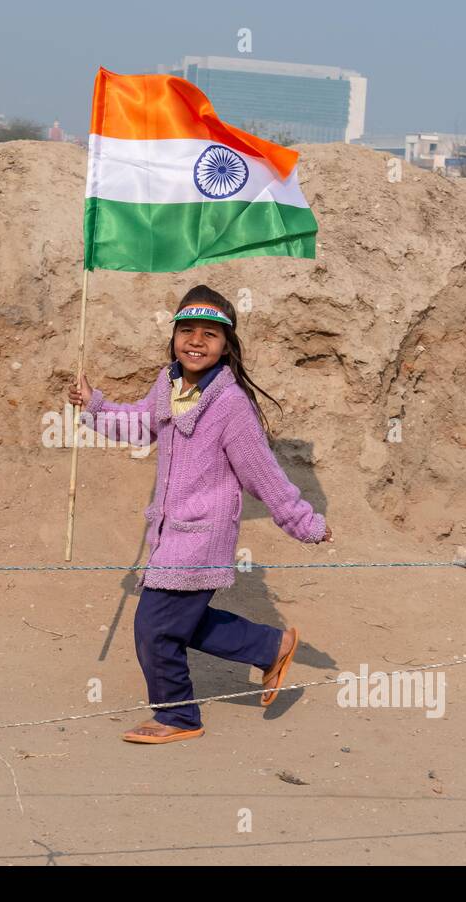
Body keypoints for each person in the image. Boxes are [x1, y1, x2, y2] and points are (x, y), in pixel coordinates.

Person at [67, 283, 333, 744]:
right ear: (172, 336)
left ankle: (178, 717)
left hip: (203, 535)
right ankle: (271, 646)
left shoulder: (230, 405)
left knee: (154, 628)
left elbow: (262, 475)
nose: (196, 341)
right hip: (168, 533)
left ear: (227, 345)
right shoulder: (168, 383)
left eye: (209, 334)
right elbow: (141, 425)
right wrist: (95, 406)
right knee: (178, 622)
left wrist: (305, 523)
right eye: (186, 330)